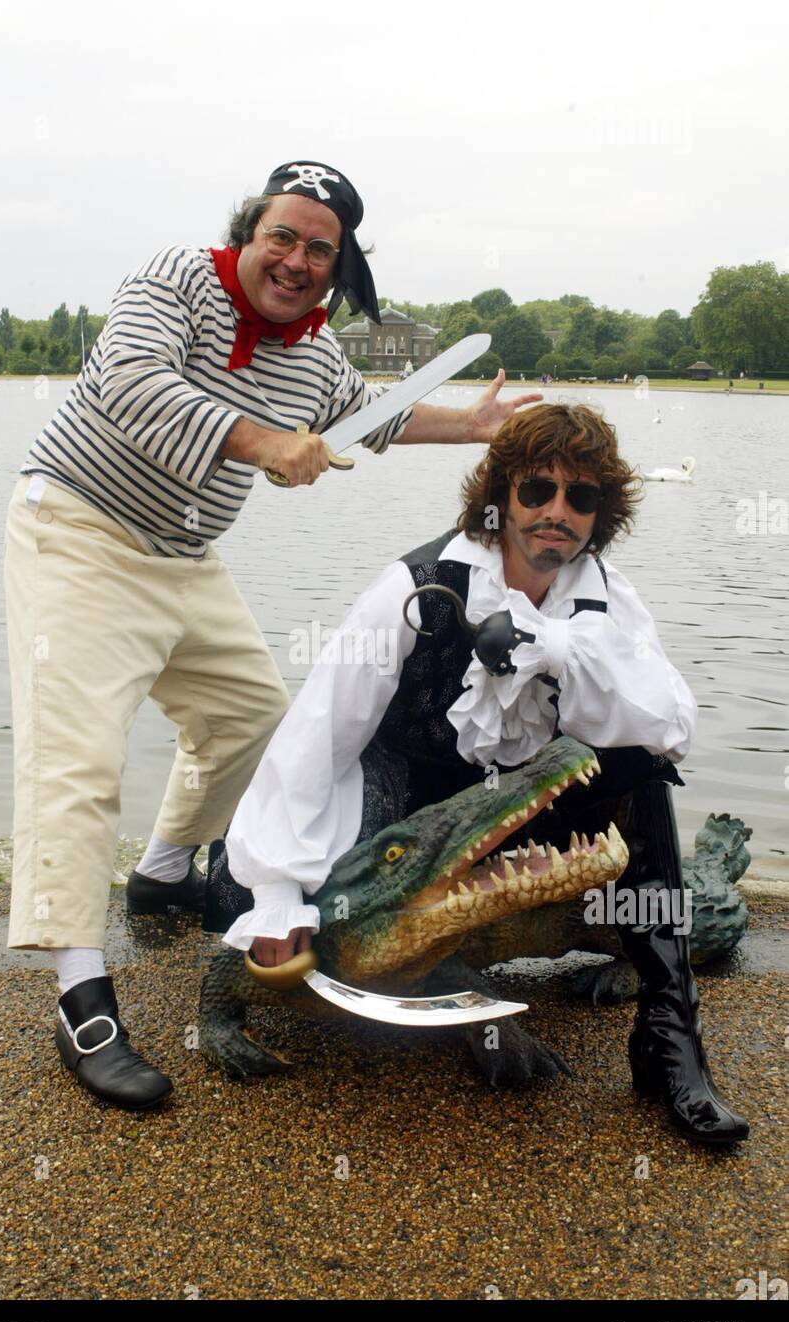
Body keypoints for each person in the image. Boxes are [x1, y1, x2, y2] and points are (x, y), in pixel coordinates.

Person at [2, 158, 540, 1111]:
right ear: (249, 231)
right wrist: (263, 443)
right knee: (77, 763)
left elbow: (365, 420)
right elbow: (131, 381)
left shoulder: (314, 350)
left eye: (318, 250)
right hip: (76, 531)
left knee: (257, 723)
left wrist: (474, 427)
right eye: (281, 236)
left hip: (185, 556)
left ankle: (162, 875)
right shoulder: (174, 277)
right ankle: (81, 999)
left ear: (338, 268)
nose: (294, 260)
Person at [210, 403, 749, 1146]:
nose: (557, 512)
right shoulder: (414, 587)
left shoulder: (606, 600)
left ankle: (669, 1035)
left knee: (645, 764)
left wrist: (557, 647)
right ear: (500, 497)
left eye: (580, 497)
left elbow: (673, 725)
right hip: (406, 807)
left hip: (512, 805)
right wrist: (275, 893)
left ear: (600, 514)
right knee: (274, 901)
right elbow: (317, 735)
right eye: (537, 490)